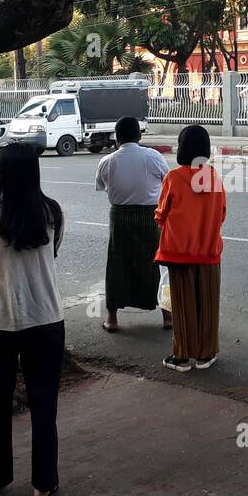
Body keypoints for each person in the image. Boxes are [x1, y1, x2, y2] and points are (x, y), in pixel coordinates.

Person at [0, 143, 65, 496]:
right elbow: (52, 253)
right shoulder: (53, 213)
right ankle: (43, 484)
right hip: (44, 318)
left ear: (2, 173)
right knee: (44, 404)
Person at [154, 124, 226, 372]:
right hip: (209, 250)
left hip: (179, 252)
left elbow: (161, 214)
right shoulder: (213, 176)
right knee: (207, 303)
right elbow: (222, 212)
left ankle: (182, 356)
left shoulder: (173, 178)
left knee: (183, 305)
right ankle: (206, 355)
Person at [95, 116, 170, 333]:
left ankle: (112, 319)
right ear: (139, 135)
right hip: (150, 217)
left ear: (117, 138)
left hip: (120, 217)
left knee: (118, 265)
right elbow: (167, 181)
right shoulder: (153, 157)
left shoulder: (107, 161)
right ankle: (167, 316)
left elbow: (101, 186)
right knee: (158, 266)